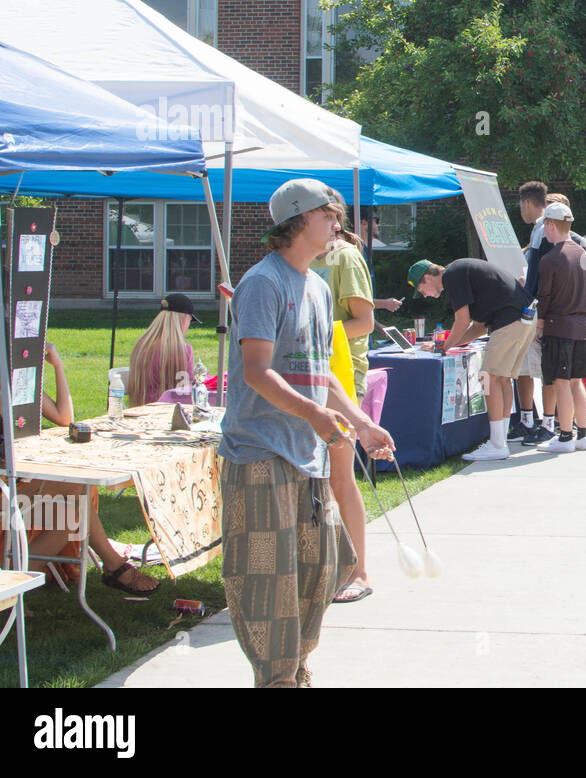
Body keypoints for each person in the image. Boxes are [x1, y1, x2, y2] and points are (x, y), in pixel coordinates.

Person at [220, 178, 395, 688]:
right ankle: (276, 678)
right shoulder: (262, 283)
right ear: (297, 221)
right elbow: (257, 372)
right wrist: (315, 415)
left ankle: (295, 667)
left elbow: (322, 375)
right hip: (258, 452)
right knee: (265, 583)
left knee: (321, 570)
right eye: (328, 214)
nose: (338, 223)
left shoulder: (318, 288)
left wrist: (361, 423)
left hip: (306, 455)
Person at [0, 314, 161, 595]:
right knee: (76, 501)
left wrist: (58, 367)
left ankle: (16, 580)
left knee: (76, 505)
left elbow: (65, 418)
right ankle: (112, 568)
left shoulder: (18, 384)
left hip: (7, 485)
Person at [311, 190, 378, 604]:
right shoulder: (297, 261)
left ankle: (358, 571)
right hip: (303, 374)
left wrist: (312, 334)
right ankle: (323, 564)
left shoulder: (345, 258)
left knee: (340, 474)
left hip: (340, 374)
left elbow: (364, 323)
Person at [410, 255, 537, 461]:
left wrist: (442, 347)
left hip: (511, 320)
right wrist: (448, 344)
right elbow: (478, 328)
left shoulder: (452, 276)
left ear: (427, 277)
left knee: (488, 377)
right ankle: (500, 441)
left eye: (421, 289)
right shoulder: (461, 272)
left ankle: (497, 445)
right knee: (501, 379)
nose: (424, 295)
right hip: (525, 318)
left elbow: (462, 322)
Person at [535, 202, 586, 452]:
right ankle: (582, 434)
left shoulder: (550, 258)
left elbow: (545, 297)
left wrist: (539, 323)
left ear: (550, 225)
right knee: (576, 382)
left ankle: (566, 436)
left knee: (560, 382)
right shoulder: (582, 253)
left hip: (559, 326)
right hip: (581, 325)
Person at [512, 180, 549, 444]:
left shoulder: (543, 229)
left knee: (545, 371)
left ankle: (549, 423)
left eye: (520, 205)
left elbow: (541, 275)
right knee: (524, 366)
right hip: (534, 309)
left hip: (539, 310)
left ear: (526, 203)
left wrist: (538, 313)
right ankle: (528, 420)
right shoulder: (540, 229)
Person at [126, 293, 200, 406]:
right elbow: (185, 391)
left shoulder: (141, 345)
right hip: (169, 412)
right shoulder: (183, 350)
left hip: (140, 410)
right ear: (184, 320)